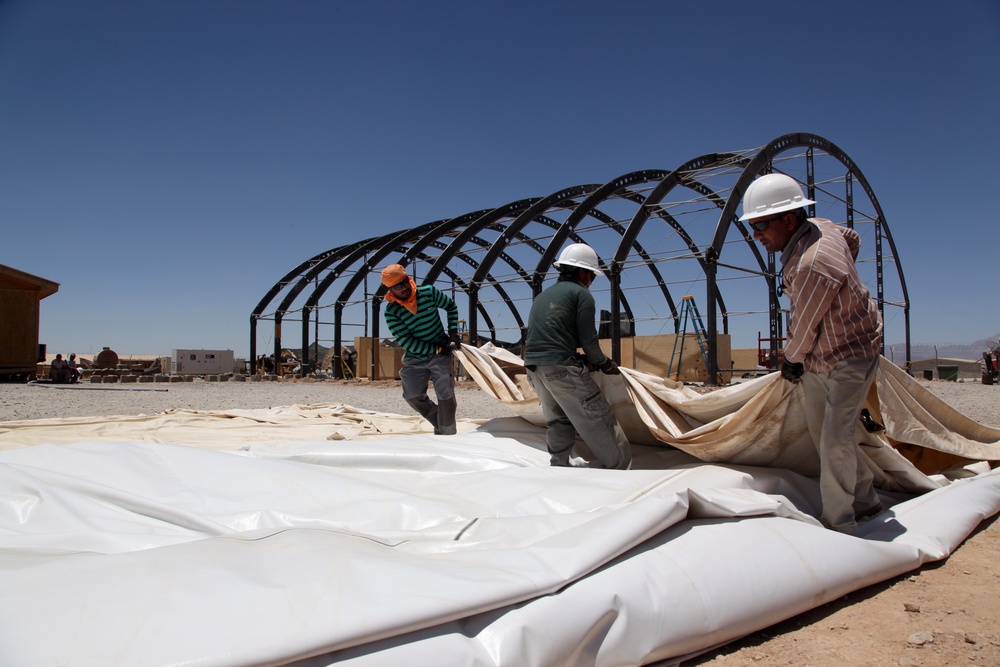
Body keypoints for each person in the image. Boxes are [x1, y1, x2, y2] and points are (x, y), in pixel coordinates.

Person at [741, 172, 884, 534]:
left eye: (760, 225)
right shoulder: (822, 227)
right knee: (827, 432)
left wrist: (790, 359)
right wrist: (844, 274)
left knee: (836, 438)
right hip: (825, 354)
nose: (756, 235)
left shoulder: (813, 264)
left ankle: (840, 524)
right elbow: (853, 238)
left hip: (850, 351)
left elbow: (804, 326)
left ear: (789, 220)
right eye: (752, 227)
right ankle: (866, 500)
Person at [523, 243, 632, 469]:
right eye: (592, 275)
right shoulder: (581, 294)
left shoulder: (543, 296)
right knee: (600, 418)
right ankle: (622, 471)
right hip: (561, 367)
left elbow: (547, 336)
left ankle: (559, 468)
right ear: (582, 272)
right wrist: (603, 363)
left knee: (559, 420)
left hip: (534, 368)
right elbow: (588, 339)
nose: (591, 280)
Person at [380, 264, 462, 435]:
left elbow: (451, 306)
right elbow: (407, 341)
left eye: (404, 282)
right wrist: (438, 349)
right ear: (390, 289)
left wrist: (453, 331)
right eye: (397, 286)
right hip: (416, 356)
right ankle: (440, 422)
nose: (404, 288)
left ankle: (448, 437)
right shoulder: (392, 311)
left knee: (445, 394)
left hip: (441, 355)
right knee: (412, 396)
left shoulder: (428, 293)